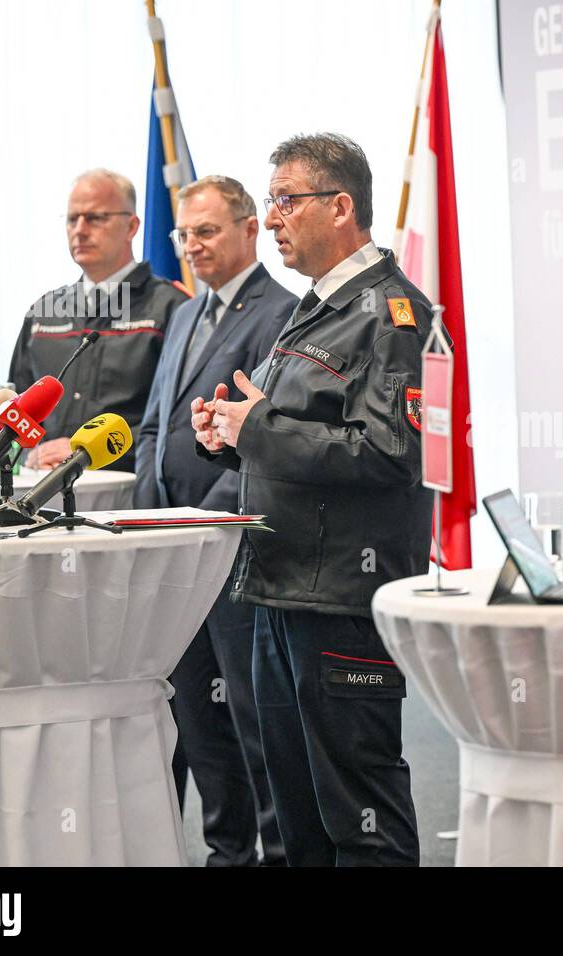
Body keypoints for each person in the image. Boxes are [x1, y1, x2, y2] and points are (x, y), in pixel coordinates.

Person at [191, 133, 433, 866]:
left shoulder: (394, 315)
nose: (272, 219)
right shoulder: (317, 307)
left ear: (341, 206)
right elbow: (291, 426)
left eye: (287, 201)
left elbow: (389, 451)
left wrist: (257, 426)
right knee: (290, 812)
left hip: (341, 599)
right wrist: (228, 431)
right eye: (270, 203)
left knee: (357, 813)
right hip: (276, 583)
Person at [134, 175, 296, 865]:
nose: (192, 246)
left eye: (206, 231)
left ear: (249, 228)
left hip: (229, 553)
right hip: (170, 552)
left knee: (252, 724)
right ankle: (228, 855)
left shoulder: (282, 312)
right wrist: (151, 504)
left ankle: (277, 853)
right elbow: (155, 424)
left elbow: (268, 435)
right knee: (195, 722)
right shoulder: (181, 314)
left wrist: (208, 520)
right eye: (183, 235)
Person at [8, 169, 189, 472]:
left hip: (131, 493)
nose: (80, 229)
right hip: (41, 490)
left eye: (95, 218)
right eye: (72, 219)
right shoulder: (44, 310)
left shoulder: (173, 307)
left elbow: (179, 422)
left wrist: (84, 452)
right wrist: (32, 452)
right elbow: (16, 408)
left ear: (132, 226)